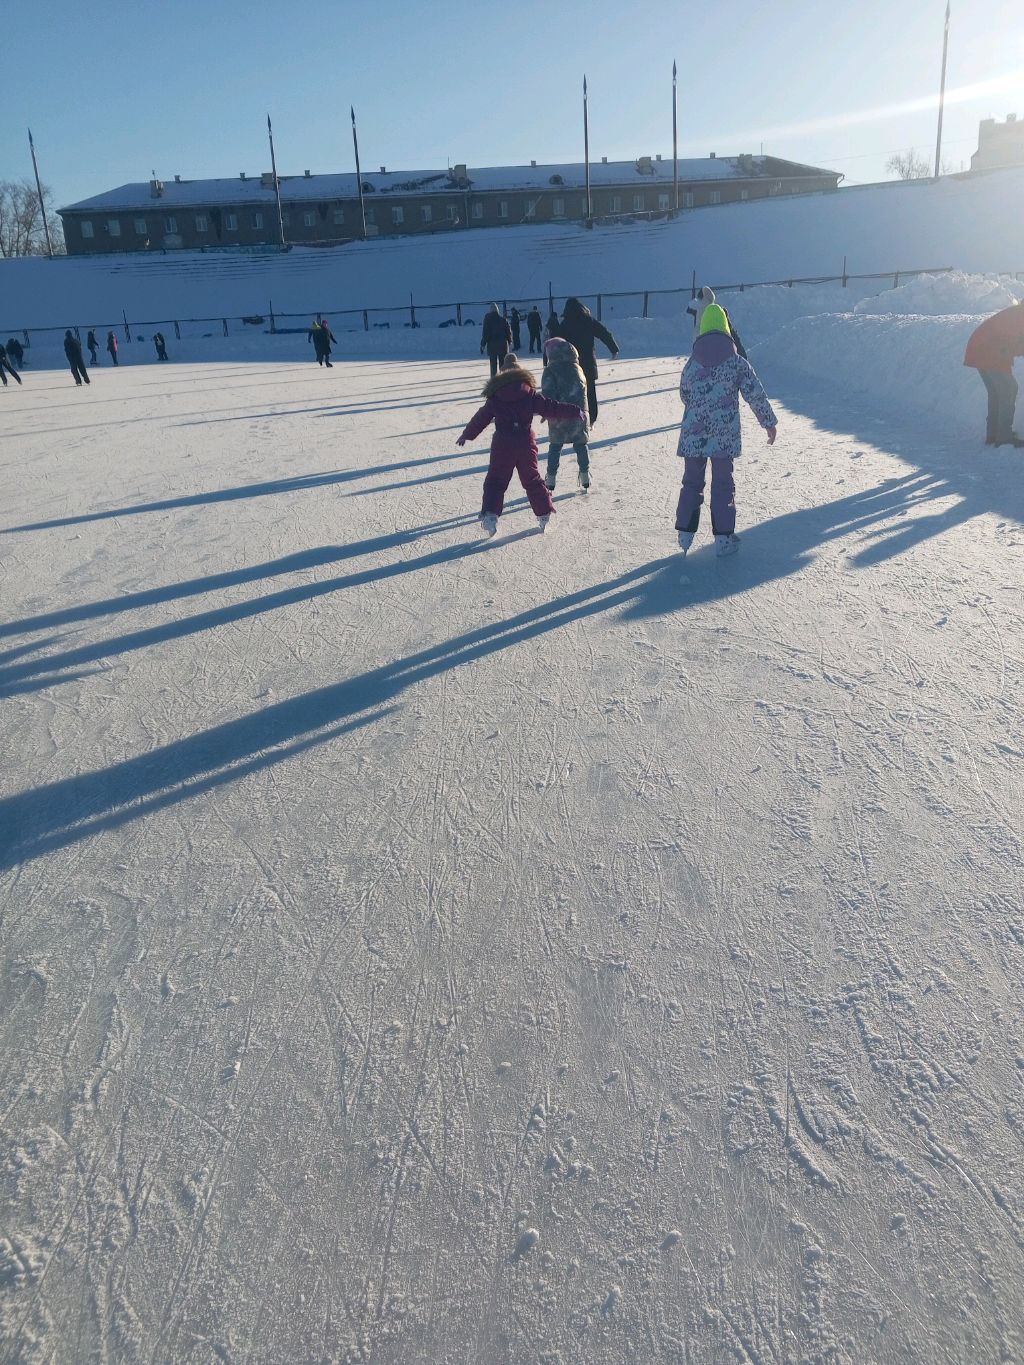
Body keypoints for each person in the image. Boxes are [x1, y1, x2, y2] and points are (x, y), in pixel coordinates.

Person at [675, 304, 776, 557]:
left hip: (693, 436)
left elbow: (684, 394)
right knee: (723, 483)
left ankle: (685, 534)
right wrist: (768, 422)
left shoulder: (692, 363)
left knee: (691, 482)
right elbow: (755, 394)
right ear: (725, 328)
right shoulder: (736, 362)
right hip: (724, 436)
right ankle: (723, 538)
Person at [456, 353, 585, 536]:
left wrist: (467, 435)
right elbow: (551, 406)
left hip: (503, 443)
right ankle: (544, 514)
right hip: (525, 442)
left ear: (502, 375)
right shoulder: (529, 394)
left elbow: (481, 418)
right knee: (532, 479)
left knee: (496, 480)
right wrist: (575, 410)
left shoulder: (495, 396)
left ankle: (491, 517)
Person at [963, 302, 1024, 447]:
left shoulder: (1017, 313)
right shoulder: (1019, 316)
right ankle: (1003, 436)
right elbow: (1010, 343)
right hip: (989, 352)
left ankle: (993, 434)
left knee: (998, 392)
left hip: (982, 350)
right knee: (1008, 389)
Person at [551, 296, 619, 424]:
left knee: (573, 392)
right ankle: (591, 419)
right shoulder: (588, 321)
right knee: (590, 392)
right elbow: (604, 333)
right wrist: (613, 348)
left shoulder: (565, 324)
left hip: (572, 364)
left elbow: (557, 342)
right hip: (588, 362)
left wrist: (553, 359)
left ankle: (575, 417)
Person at [541, 338, 590, 490]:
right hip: (578, 414)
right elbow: (583, 392)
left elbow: (547, 393)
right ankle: (585, 474)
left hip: (558, 414)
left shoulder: (550, 370)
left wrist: (546, 411)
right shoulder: (577, 368)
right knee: (581, 444)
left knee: (555, 446)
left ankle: (551, 478)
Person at [480, 303, 513, 377]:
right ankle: (503, 380)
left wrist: (482, 345)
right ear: (498, 311)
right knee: (503, 365)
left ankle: (494, 380)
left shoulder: (488, 321)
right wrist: (510, 340)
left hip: (492, 346)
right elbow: (508, 331)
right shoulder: (503, 320)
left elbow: (485, 334)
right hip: (503, 345)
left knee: (493, 366)